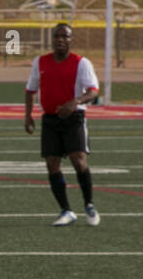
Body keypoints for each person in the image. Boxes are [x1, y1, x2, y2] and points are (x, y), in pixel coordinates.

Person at [24, 22, 101, 226]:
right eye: (57, 36)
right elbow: (30, 89)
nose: (60, 40)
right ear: (52, 39)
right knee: (52, 164)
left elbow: (93, 91)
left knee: (79, 160)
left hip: (74, 119)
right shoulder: (40, 62)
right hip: (49, 119)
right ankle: (66, 210)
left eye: (65, 36)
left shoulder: (81, 63)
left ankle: (89, 205)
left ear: (71, 40)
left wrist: (75, 102)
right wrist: (28, 115)